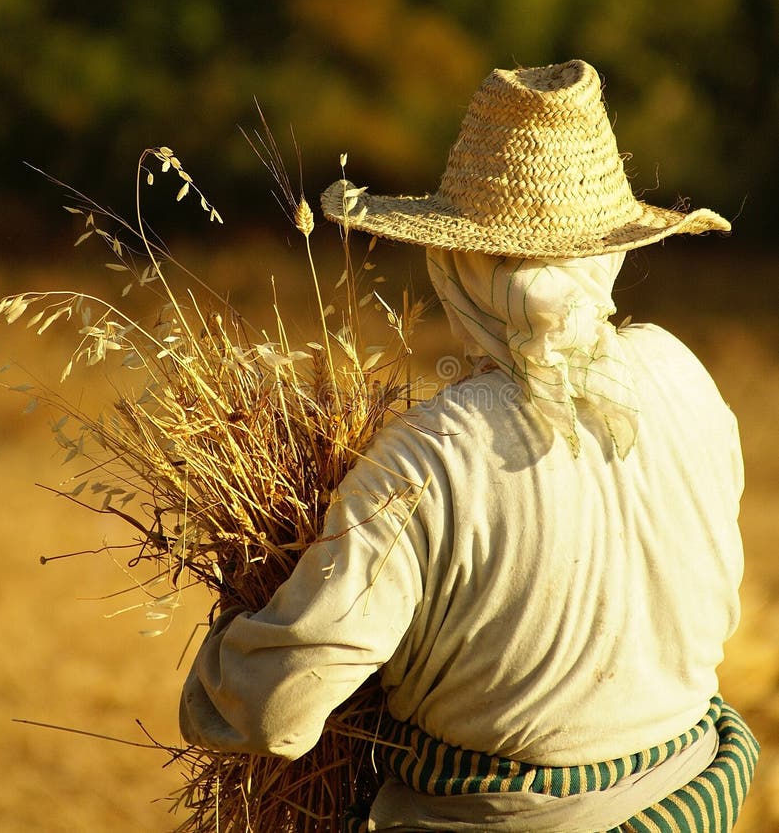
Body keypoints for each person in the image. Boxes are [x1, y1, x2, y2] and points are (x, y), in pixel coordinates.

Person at [180, 59, 758, 832]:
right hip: (693, 800)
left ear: (455, 265)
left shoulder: (427, 457)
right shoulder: (680, 373)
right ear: (607, 254)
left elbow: (279, 713)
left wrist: (233, 640)